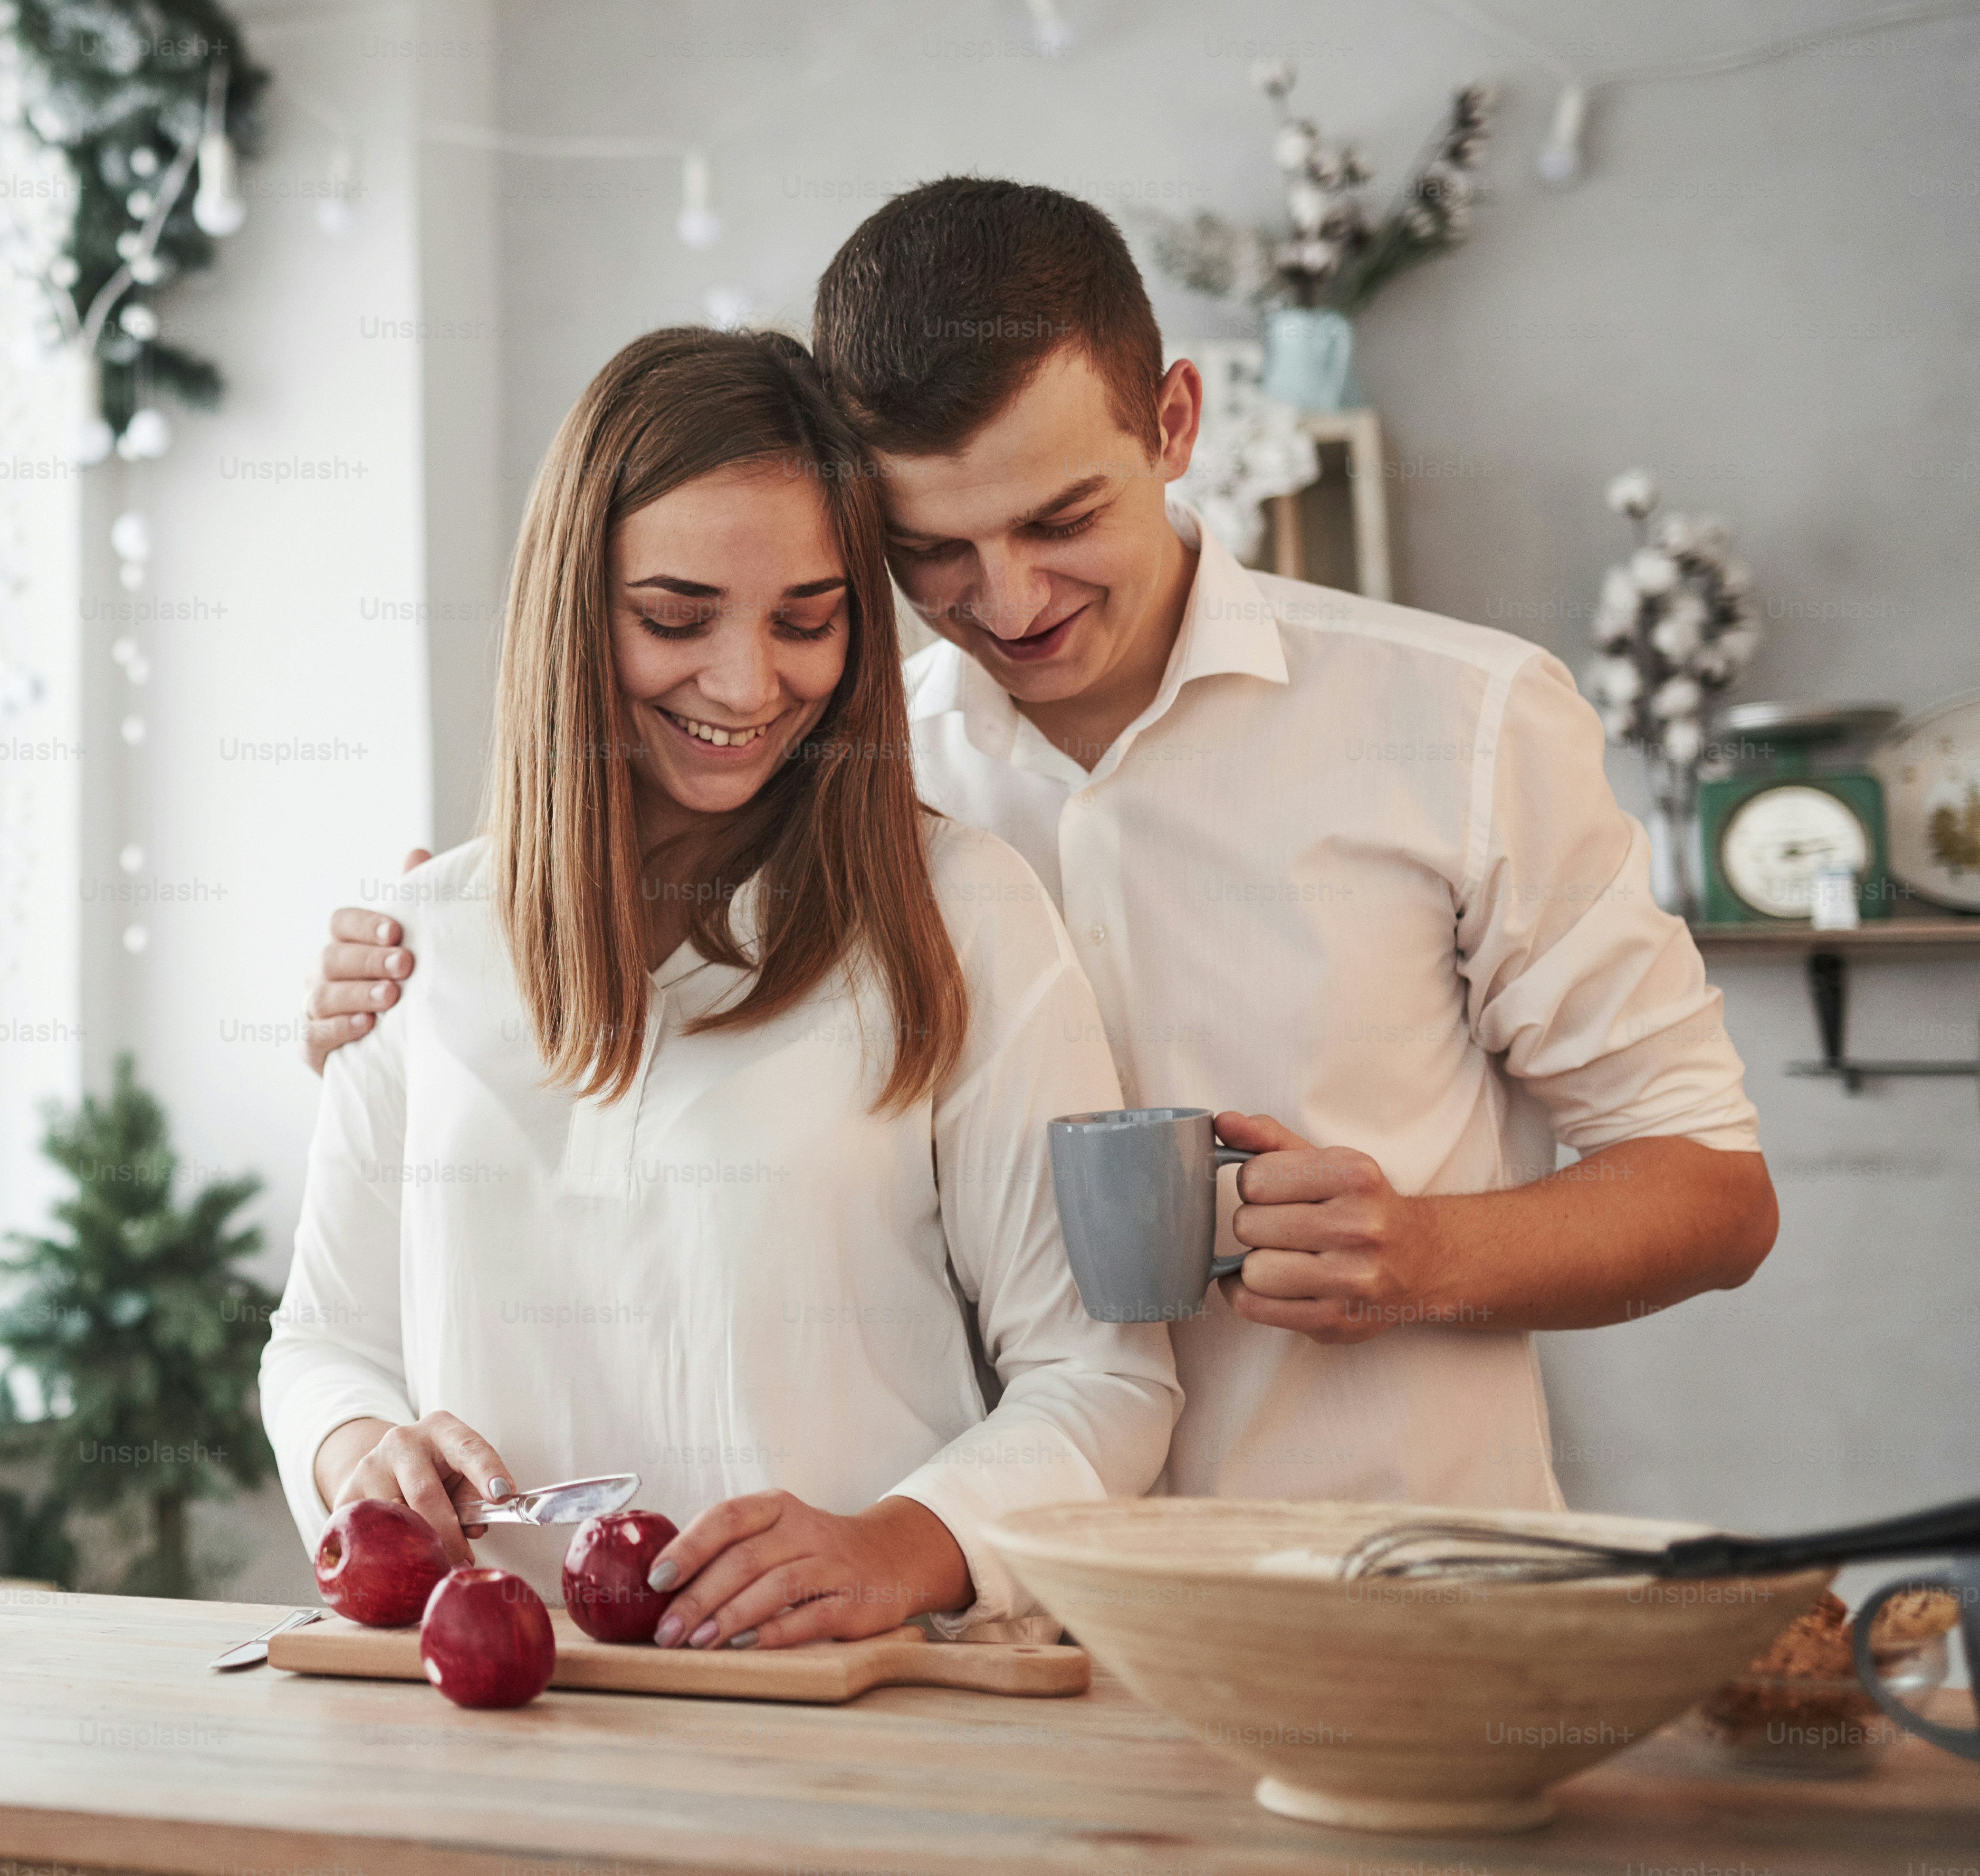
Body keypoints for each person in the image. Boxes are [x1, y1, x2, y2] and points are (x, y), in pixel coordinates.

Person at [301, 181, 1773, 1513]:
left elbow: (1713, 1191)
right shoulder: (836, 773)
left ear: (1174, 423)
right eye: (930, 551)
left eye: (1061, 518)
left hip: (1375, 1591)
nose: (1005, 602)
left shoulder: (1460, 720)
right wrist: (425, 977)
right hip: (1006, 1638)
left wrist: (1425, 1254)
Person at [260, 326, 1178, 1652]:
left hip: (838, 1709)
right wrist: (358, 1449)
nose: (747, 685)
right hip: (496, 1711)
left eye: (806, 621)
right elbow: (322, 1343)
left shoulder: (962, 914)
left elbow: (1105, 1379)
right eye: (674, 618)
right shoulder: (422, 940)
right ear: (573, 608)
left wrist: (895, 1548)